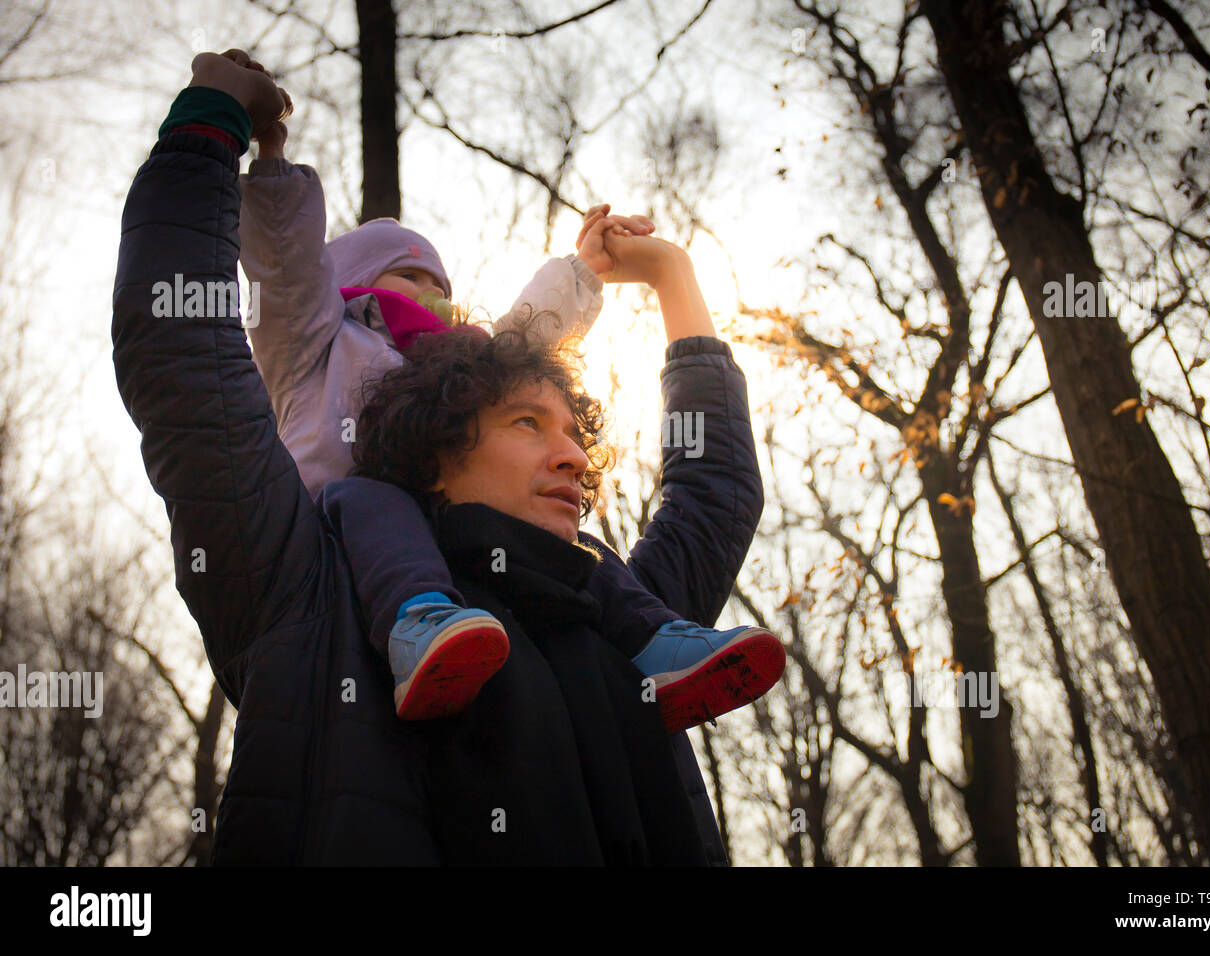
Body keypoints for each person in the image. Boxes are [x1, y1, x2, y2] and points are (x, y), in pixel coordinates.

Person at [112, 48, 771, 864]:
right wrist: (209, 122)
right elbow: (185, 360)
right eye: (526, 423)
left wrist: (671, 276)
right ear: (438, 442)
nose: (573, 456)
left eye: (573, 432)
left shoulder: (619, 620)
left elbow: (713, 491)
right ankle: (422, 620)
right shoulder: (307, 601)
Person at [233, 59, 782, 728]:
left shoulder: (450, 362)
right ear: (353, 284)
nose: (431, 292)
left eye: (439, 281)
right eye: (408, 276)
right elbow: (284, 267)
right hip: (336, 525)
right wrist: (271, 160)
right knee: (372, 499)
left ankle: (654, 638)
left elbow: (521, 343)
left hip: (451, 518)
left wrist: (585, 269)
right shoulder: (316, 338)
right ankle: (418, 623)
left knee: (581, 553)